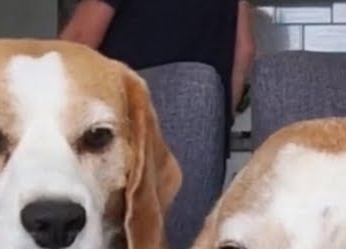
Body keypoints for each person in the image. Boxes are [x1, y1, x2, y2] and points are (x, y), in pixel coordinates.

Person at [59, 0, 256, 154]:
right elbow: (245, 50)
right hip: (202, 138)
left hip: (127, 130)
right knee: (195, 205)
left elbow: (78, 40)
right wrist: (216, 119)